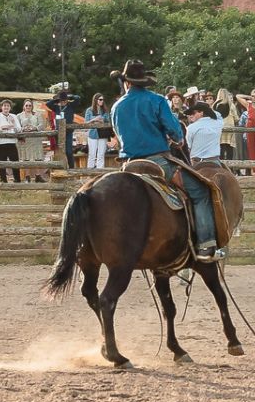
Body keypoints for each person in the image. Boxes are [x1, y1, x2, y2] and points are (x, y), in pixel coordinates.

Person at [112, 60, 220, 261]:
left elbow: (118, 135)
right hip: (157, 162)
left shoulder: (116, 107)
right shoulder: (157, 101)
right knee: (200, 191)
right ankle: (206, 244)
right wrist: (177, 138)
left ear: (127, 82)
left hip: (128, 165)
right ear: (144, 81)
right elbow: (175, 130)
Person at [0, 99, 22, 183]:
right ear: (1, 107)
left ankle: (17, 180)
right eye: (4, 106)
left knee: (15, 161)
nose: (6, 107)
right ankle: (3, 180)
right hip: (0, 143)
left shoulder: (14, 116)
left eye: (8, 106)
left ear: (10, 107)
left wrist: (13, 123)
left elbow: (19, 130)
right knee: (2, 161)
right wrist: (2, 128)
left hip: (12, 142)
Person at [49, 83, 80, 169]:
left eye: (65, 100)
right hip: (58, 133)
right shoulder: (56, 107)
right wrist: (57, 99)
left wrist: (70, 96)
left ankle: (71, 168)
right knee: (60, 152)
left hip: (68, 132)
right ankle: (61, 168)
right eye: (62, 101)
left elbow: (77, 98)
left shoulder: (71, 106)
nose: (63, 102)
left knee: (69, 152)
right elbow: (48, 103)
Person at [184, 99, 224, 164]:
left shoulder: (191, 128)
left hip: (196, 162)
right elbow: (219, 115)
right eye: (190, 114)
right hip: (215, 161)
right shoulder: (218, 123)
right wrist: (209, 110)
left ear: (201, 113)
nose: (191, 115)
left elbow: (187, 148)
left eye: (193, 113)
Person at [82, 93, 112, 169]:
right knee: (92, 154)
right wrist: (94, 119)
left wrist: (101, 120)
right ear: (95, 100)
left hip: (103, 134)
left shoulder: (105, 110)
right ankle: (90, 172)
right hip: (92, 134)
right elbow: (86, 122)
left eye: (103, 100)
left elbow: (107, 121)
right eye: (100, 99)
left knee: (101, 155)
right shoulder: (89, 110)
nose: (102, 101)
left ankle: (100, 171)